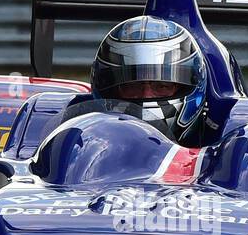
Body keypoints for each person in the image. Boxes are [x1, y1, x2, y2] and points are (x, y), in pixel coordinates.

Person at [61, 16, 211, 146]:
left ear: (190, 86)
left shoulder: (220, 144)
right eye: (132, 86)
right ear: (108, 89)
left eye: (162, 86)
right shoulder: (81, 139)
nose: (146, 95)